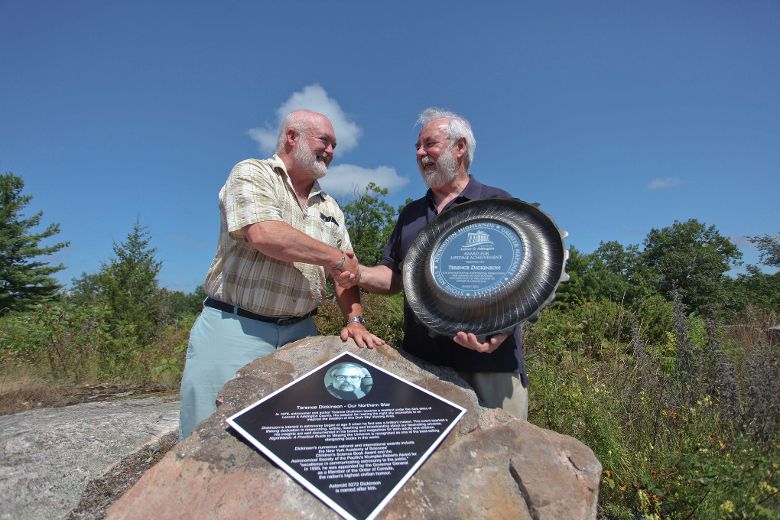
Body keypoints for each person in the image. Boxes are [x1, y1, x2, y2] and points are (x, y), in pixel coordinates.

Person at [179, 110, 384, 439]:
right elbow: (265, 234)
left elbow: (346, 272)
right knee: (209, 435)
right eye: (324, 141)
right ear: (292, 137)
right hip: (236, 328)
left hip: (302, 333)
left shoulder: (330, 207)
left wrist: (355, 320)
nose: (331, 151)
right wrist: (334, 259)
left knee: (295, 437)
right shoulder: (253, 173)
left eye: (334, 145)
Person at [337, 108, 529, 419]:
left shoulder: (498, 203)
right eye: (417, 147)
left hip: (491, 369)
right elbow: (394, 277)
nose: (420, 153)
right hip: (422, 367)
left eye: (430, 144)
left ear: (460, 147)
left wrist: (502, 331)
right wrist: (358, 274)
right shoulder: (410, 215)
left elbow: (530, 277)